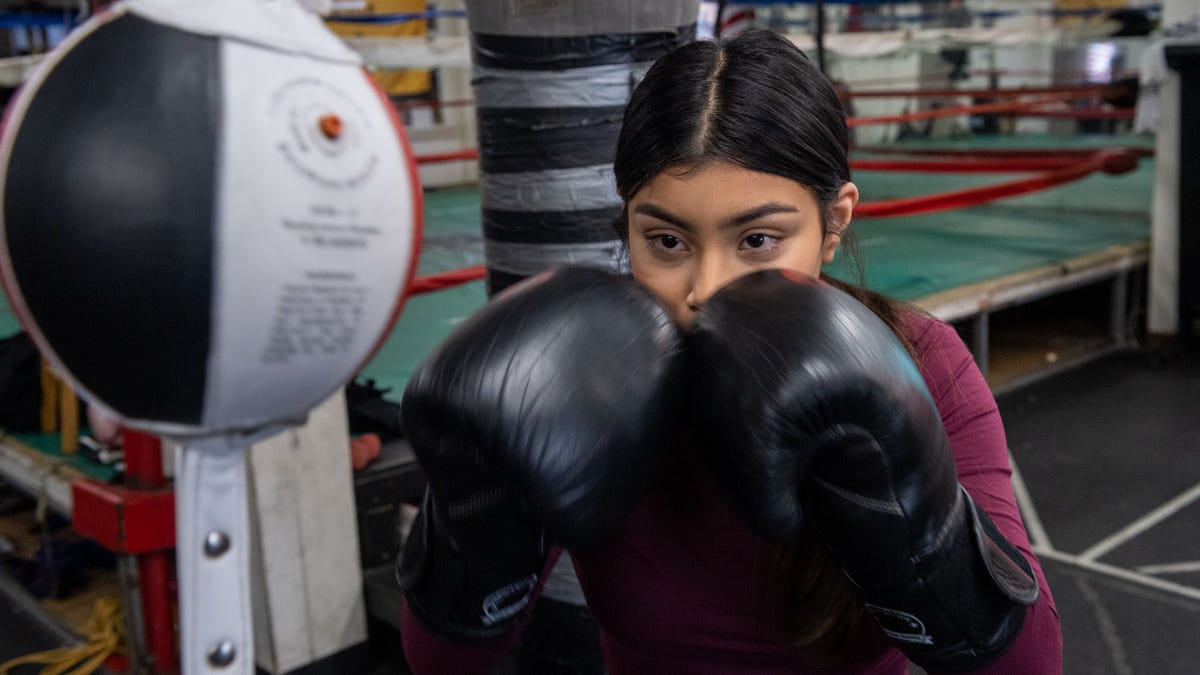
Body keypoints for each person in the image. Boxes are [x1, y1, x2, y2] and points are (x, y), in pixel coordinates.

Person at [397, 29, 1062, 674]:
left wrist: (925, 533)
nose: (706, 290)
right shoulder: (589, 375)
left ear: (835, 223)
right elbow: (438, 659)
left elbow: (1032, 667)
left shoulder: (922, 362)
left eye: (758, 240)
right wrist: (476, 515)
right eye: (667, 241)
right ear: (625, 225)